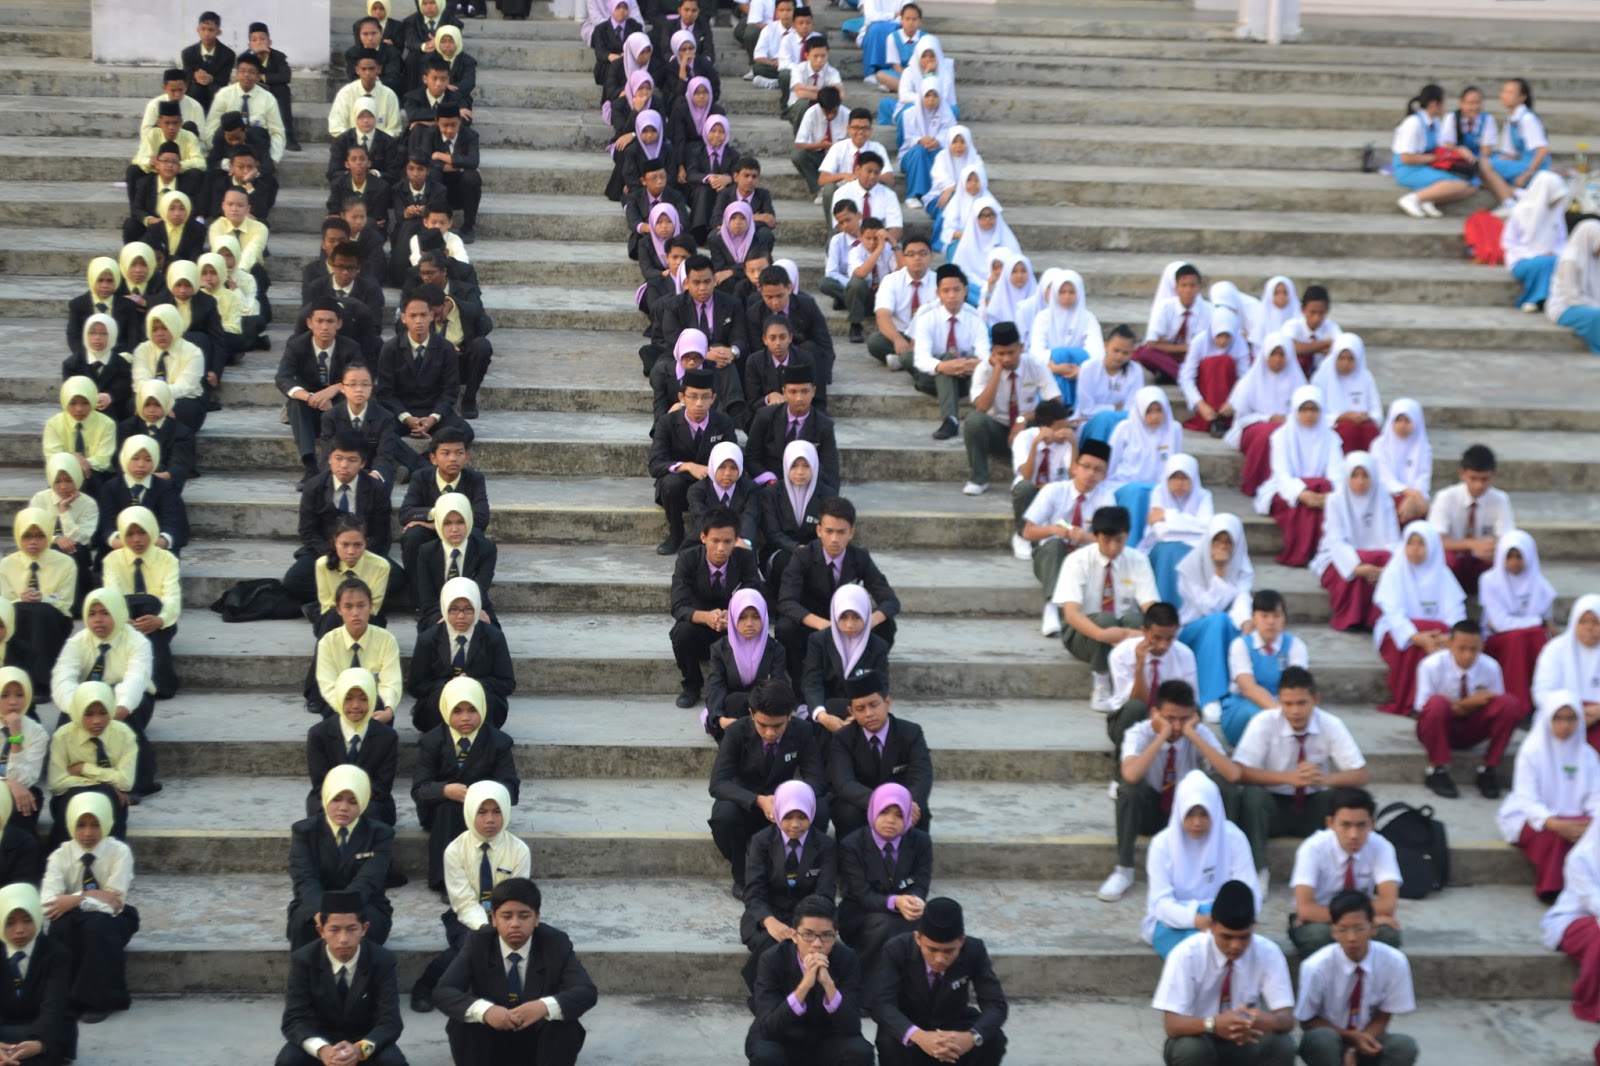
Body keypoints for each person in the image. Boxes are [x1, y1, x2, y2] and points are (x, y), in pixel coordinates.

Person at [433, 878, 597, 1066]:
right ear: (494, 918)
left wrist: (543, 1006)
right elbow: (443, 992)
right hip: (491, 1039)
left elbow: (586, 991)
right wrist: (486, 1011)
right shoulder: (478, 942)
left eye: (524, 915)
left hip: (539, 1041)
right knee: (464, 1021)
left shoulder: (555, 942)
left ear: (537, 918)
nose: (515, 924)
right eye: (507, 916)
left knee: (562, 1020)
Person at [1103, 679, 1239, 903]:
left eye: (1184, 718)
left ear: (1193, 716)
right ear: (1155, 713)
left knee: (1225, 787)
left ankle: (1222, 864)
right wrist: (1161, 736)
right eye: (1170, 718)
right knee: (1129, 790)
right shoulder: (1139, 733)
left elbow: (1232, 774)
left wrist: (1192, 734)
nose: (1177, 726)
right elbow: (1131, 774)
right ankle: (1124, 870)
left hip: (1189, 815)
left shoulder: (1199, 733)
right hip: (1151, 810)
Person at [1232, 668, 1370, 881]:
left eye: (1301, 703)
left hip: (1313, 803)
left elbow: (1360, 774)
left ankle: (1341, 870)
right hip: (1272, 805)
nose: (1295, 711)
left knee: (1344, 799)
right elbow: (1239, 772)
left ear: (1315, 699)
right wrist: (1287, 778)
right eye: (1287, 704)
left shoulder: (1330, 724)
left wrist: (1324, 779)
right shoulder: (1264, 722)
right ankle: (1257, 871)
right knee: (1251, 796)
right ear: (1279, 701)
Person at [409, 781, 531, 1015]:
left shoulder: (519, 850)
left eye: (497, 811)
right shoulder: (455, 850)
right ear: (469, 811)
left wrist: (502, 922)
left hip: (508, 915)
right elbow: (462, 901)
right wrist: (486, 927)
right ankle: (427, 983)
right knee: (469, 943)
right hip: (465, 916)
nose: (490, 820)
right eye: (481, 812)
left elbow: (517, 894)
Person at [1151, 878, 1294, 1066]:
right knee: (1189, 1049)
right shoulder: (1185, 954)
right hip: (1202, 1038)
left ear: (1254, 926)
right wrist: (1214, 1024)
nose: (1235, 946)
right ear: (1211, 925)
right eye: (1226, 937)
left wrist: (1266, 1020)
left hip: (1244, 1040)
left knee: (1281, 1044)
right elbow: (1172, 1024)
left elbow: (1287, 1019)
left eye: (1244, 937)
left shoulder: (1268, 952)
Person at [709, 678, 827, 895]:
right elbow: (718, 784)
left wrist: (792, 802)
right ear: (752, 713)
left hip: (786, 805)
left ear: (790, 716)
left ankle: (803, 871)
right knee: (723, 816)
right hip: (747, 804)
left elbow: (816, 779)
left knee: (819, 809)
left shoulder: (802, 731)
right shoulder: (736, 731)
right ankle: (744, 877)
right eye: (763, 725)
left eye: (778, 726)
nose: (770, 733)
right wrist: (758, 800)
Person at [50, 588, 158, 805]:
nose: (98, 620)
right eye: (92, 613)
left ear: (118, 613)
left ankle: (135, 783)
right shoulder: (77, 642)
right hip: (88, 702)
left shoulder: (137, 642)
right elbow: (63, 677)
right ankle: (79, 775)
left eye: (105, 613)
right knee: (66, 727)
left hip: (130, 702)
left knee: (128, 726)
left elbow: (136, 678)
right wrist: (78, 711)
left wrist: (118, 709)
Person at [40, 790, 139, 1025]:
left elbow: (115, 902)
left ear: (106, 823)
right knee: (61, 928)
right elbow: (48, 903)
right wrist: (93, 896)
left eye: (95, 824)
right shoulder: (60, 855)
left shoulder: (119, 852)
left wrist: (76, 899)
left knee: (97, 926)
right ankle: (68, 999)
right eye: (81, 824)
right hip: (72, 916)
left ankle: (99, 1000)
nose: (87, 833)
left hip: (114, 918)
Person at [775, 496, 900, 683]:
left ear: (851, 532)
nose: (834, 539)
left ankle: (863, 679)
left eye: (841, 532)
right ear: (819, 530)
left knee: (887, 626)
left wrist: (869, 621)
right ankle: (800, 691)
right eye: (829, 531)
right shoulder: (804, 556)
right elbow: (786, 601)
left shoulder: (859, 556)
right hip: (814, 624)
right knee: (786, 627)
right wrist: (822, 624)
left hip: (848, 623)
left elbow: (890, 600)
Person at [869, 897, 1007, 1066]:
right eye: (932, 949)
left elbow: (996, 1005)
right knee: (888, 1041)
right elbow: (881, 1004)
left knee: (994, 1038)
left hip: (953, 1023)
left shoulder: (974, 950)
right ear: (918, 939)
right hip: (912, 1024)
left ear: (961, 941)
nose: (940, 959)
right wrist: (919, 1036)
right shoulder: (896, 949)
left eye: (949, 951)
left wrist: (972, 1037)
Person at [277, 888, 407, 1066]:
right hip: (320, 1042)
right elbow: (293, 1020)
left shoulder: (382, 960)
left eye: (352, 929)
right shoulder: (304, 959)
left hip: (364, 1042)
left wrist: (360, 1049)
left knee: (393, 1062)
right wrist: (323, 1050)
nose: (343, 939)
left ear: (364, 929)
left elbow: (390, 1022)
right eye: (334, 930)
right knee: (288, 1061)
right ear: (321, 930)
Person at [413, 676, 519, 892]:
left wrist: (484, 795)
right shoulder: (432, 741)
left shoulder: (499, 742)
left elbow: (511, 788)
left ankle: (486, 879)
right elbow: (420, 788)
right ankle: (446, 881)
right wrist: (444, 790)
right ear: (446, 710)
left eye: (472, 710)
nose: (465, 718)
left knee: (481, 813)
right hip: (441, 809)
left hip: (485, 809)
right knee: (448, 810)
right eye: (457, 711)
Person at [1293, 890, 1419, 1066]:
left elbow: (1384, 1015)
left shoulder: (1393, 961)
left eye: (1359, 929)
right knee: (1322, 1040)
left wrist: (1361, 1042)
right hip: (1330, 1039)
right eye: (1342, 930)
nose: (1351, 938)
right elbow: (1307, 1021)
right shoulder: (1316, 966)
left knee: (1403, 1046)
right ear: (1333, 932)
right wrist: (1350, 1037)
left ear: (1373, 928)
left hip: (1369, 1036)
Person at [747, 893, 873, 1066]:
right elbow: (769, 1027)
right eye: (808, 934)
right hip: (782, 1036)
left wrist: (828, 985)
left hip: (826, 1038)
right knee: (766, 1056)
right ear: (793, 935)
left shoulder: (847, 959)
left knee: (860, 1051)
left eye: (826, 935)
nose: (817, 944)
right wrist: (804, 986)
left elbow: (852, 1027)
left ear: (836, 935)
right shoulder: (772, 959)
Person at [1497, 691, 1600, 902]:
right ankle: (1552, 888)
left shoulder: (1588, 754)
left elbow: (1595, 797)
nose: (1565, 725)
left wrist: (1593, 823)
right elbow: (1526, 798)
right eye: (1558, 718)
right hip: (1536, 817)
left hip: (1577, 819)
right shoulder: (1532, 751)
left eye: (1571, 718)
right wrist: (1552, 821)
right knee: (1555, 836)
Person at [1054, 506, 1159, 713]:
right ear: (1095, 536)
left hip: (1124, 631)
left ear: (1127, 535)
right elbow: (1071, 614)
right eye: (1106, 540)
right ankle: (1101, 680)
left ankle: (1137, 682)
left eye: (1119, 540)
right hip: (1084, 633)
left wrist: (1138, 632)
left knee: (1138, 620)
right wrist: (1103, 634)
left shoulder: (1138, 560)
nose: (1113, 547)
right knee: (1103, 619)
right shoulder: (1077, 561)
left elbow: (1150, 605)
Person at [1144, 770, 1257, 959]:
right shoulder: (1162, 844)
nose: (1197, 823)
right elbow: (1160, 903)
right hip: (1172, 923)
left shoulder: (1233, 838)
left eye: (1204, 814)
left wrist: (1223, 919)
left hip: (1224, 921)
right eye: (1190, 814)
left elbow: (1249, 892)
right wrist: (1197, 920)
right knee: (1192, 954)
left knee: (1227, 942)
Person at [739, 782, 836, 992]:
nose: (795, 824)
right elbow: (754, 892)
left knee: (811, 944)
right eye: (788, 817)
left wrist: (804, 928)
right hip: (766, 916)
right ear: (778, 812)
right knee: (772, 942)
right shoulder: (761, 842)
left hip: (809, 919)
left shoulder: (825, 845)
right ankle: (768, 995)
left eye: (802, 817)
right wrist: (770, 921)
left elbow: (825, 894)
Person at [288, 765, 394, 951]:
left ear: (363, 801)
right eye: (336, 799)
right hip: (316, 903)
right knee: (303, 925)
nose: (343, 808)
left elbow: (368, 881)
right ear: (326, 796)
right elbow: (305, 879)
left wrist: (343, 917)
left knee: (364, 926)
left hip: (363, 903)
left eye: (353, 802)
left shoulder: (379, 834)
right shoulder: (304, 831)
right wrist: (323, 913)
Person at [1414, 620, 1523, 799]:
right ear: (1449, 644)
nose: (1467, 655)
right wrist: (1466, 704)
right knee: (1437, 703)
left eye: (1474, 649)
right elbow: (1423, 710)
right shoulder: (1430, 665)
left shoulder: (1490, 667)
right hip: (1437, 728)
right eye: (1461, 648)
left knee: (1509, 704)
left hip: (1472, 727)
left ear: (1482, 646)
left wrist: (1459, 707)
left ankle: (1489, 768)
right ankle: (1437, 769)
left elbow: (1495, 705)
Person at [1288, 788, 1402, 956]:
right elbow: (1305, 909)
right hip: (1319, 921)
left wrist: (1357, 923)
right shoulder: (1312, 848)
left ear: (1372, 823)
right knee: (1316, 937)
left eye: (1361, 825)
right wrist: (1358, 921)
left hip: (1356, 918)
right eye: (1345, 825)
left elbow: (1388, 904)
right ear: (1330, 823)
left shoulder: (1382, 847)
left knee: (1388, 935)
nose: (1354, 835)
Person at [669, 506, 761, 708]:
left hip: (733, 627)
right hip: (701, 626)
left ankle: (742, 684)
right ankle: (692, 686)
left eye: (728, 542)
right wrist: (706, 617)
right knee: (680, 632)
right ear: (703, 537)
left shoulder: (745, 559)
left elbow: (755, 594)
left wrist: (735, 615)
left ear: (736, 539)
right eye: (715, 541)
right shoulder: (688, 559)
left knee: (756, 629)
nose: (721, 548)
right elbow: (678, 605)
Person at [285, 437, 393, 607]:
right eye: (338, 458)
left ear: (363, 463)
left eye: (352, 460)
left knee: (397, 579)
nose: (344, 465)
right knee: (294, 580)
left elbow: (380, 534)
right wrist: (335, 554)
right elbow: (308, 531)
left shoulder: (377, 490)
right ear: (329, 459)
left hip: (363, 551)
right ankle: (342, 603)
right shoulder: (314, 487)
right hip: (325, 551)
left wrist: (358, 553)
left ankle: (348, 602)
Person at [1022, 438, 1114, 637]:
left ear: (1105, 475)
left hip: (1083, 560)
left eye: (1098, 470)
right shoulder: (1053, 491)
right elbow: (1027, 531)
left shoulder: (1106, 498)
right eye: (1086, 466)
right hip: (1050, 557)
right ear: (1074, 467)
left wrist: (1087, 537)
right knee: (1055, 545)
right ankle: (1052, 607)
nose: (1090, 473)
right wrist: (1053, 530)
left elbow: (1111, 541)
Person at [1373, 523, 1466, 716]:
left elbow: (1456, 612)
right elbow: (1393, 614)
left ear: (1432, 546)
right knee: (1415, 639)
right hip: (1399, 632)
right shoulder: (1394, 572)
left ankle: (1435, 704)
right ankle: (1411, 701)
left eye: (1421, 544)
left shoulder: (1443, 574)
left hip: (1439, 637)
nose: (1415, 549)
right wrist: (1416, 636)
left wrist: (1449, 636)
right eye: (1411, 543)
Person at [960, 322, 1059, 497]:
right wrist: (997, 371)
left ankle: (1024, 476)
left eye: (1011, 353)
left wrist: (1024, 419)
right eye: (1000, 354)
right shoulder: (984, 369)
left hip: (1027, 427)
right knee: (974, 421)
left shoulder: (1035, 364)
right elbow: (981, 407)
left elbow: (1056, 402)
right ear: (993, 352)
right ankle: (979, 478)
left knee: (1044, 425)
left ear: (1021, 348)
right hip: (997, 428)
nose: (1006, 359)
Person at [648, 367, 739, 555]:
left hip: (711, 481)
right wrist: (688, 466)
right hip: (680, 483)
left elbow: (734, 458)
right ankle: (676, 534)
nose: (699, 403)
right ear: (682, 397)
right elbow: (655, 464)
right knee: (670, 484)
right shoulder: (667, 422)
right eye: (693, 396)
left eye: (705, 397)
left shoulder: (723, 422)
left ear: (713, 399)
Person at [827, 671, 929, 834]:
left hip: (900, 801)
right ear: (851, 711)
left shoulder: (911, 732)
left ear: (887, 702)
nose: (869, 713)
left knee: (918, 813)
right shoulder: (843, 738)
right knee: (848, 813)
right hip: (861, 801)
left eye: (874, 705)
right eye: (860, 708)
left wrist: (905, 803)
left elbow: (921, 775)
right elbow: (844, 783)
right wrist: (882, 802)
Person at [409, 575, 514, 733]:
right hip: (440, 703)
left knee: (485, 697)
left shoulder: (494, 637)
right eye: (454, 609)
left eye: (468, 609)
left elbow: (507, 683)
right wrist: (452, 686)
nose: (461, 616)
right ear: (444, 608)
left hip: (481, 701)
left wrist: (471, 686)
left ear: (477, 608)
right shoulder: (428, 639)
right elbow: (415, 685)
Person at [99, 505, 182, 699]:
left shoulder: (168, 559)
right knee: (131, 601)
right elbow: (112, 594)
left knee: (151, 602)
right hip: (124, 621)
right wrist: (121, 619)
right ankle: (157, 680)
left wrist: (160, 620)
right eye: (130, 534)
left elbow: (172, 596)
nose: (136, 540)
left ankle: (158, 680)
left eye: (142, 532)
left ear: (152, 530)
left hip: (158, 621)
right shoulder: (112, 559)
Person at [1255, 385, 1341, 568]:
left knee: (1321, 486)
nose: (1309, 414)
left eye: (1314, 409)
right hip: (1285, 490)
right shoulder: (1281, 436)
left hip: (1321, 492)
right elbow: (1281, 474)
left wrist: (1326, 496)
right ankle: (1304, 552)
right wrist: (1302, 494)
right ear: (1295, 411)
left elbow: (1337, 473)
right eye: (1304, 409)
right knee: (1304, 504)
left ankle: (1312, 552)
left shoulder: (1331, 437)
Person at [1312, 452, 1398, 634]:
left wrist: (1386, 570)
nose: (1360, 481)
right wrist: (1357, 567)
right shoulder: (1336, 500)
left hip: (1378, 562)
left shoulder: (1383, 498)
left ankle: (1375, 620)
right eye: (1355, 475)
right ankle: (1351, 617)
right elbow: (1335, 541)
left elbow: (1393, 541)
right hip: (1338, 558)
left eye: (1365, 475)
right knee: (1360, 562)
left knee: (1380, 557)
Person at [306, 668, 399, 837]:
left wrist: (354, 802)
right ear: (339, 698)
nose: (356, 706)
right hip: (329, 798)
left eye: (363, 699)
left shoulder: (387, 736)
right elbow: (320, 782)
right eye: (348, 699)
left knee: (368, 816)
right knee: (326, 817)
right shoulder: (319, 734)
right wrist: (342, 804)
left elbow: (382, 785)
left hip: (371, 800)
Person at [1174, 514, 1253, 711]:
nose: (1223, 547)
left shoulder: (1243, 569)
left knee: (1242, 628)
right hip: (1192, 631)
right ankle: (1210, 696)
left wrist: (1246, 623)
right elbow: (1208, 608)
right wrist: (1219, 571)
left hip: (1225, 627)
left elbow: (1242, 599)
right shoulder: (1190, 569)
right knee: (1217, 620)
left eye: (1228, 542)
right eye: (1217, 540)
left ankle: (1235, 690)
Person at [44, 683, 134, 846]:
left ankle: (113, 858)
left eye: (103, 713)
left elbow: (125, 782)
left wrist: (84, 769)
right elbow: (56, 784)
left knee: (109, 796)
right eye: (88, 714)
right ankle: (59, 859)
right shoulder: (63, 736)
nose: (96, 721)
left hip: (110, 797)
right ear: (78, 711)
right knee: (78, 796)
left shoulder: (124, 735)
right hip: (69, 798)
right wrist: (103, 783)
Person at [398, 433, 491, 591]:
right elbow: (406, 513)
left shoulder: (475, 479)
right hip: (429, 537)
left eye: (459, 453)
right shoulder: (421, 477)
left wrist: (439, 524)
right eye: (446, 453)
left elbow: (481, 519)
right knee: (413, 535)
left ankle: (465, 594)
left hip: (458, 532)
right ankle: (420, 600)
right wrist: (438, 515)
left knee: (476, 535)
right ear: (433, 458)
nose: (453, 458)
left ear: (467, 457)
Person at [1218, 590, 1309, 748]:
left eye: (1276, 616)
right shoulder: (1240, 645)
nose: (1271, 622)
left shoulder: (1296, 645)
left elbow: (1299, 685)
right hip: (1243, 708)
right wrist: (1281, 714)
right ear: (1254, 618)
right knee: (1258, 717)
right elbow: (1249, 688)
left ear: (1284, 618)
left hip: (1286, 707)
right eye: (1264, 616)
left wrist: (1288, 712)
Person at [1479, 529, 1556, 711]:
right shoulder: (1489, 580)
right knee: (1520, 637)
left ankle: (1537, 701)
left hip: (1527, 640)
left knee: (1535, 636)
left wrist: (1538, 623)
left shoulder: (1540, 585)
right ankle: (1517, 704)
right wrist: (1537, 621)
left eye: (1519, 556)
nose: (1514, 562)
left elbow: (1549, 625)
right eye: (1509, 556)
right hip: (1496, 641)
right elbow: (1499, 624)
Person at [911, 264, 989, 441]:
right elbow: (921, 358)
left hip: (963, 377)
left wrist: (969, 364)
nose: (952, 295)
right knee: (945, 359)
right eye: (946, 291)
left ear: (965, 290)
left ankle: (983, 418)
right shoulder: (927, 318)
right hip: (930, 379)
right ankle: (951, 419)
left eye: (957, 290)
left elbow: (985, 356)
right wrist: (945, 365)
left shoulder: (975, 319)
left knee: (975, 363)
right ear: (938, 293)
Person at [1105, 603, 1199, 749]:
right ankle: (1127, 767)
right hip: (1129, 719)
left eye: (1170, 638)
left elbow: (1189, 701)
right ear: (1144, 631)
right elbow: (1135, 701)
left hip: (1171, 718)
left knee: (1195, 712)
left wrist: (1166, 720)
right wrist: (1139, 667)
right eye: (1157, 638)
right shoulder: (1121, 654)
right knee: (1134, 708)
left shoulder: (1185, 655)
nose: (1163, 645)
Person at [1224, 331, 1305, 497]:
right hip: (1251, 428)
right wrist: (1268, 418)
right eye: (1273, 354)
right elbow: (1242, 418)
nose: (1277, 359)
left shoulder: (1297, 381)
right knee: (1268, 433)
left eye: (1282, 355)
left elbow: (1305, 411)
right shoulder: (1250, 381)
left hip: (1288, 427)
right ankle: (1255, 483)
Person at [1428, 443, 1513, 597]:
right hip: (1454, 559)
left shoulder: (1500, 500)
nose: (1478, 485)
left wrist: (1489, 547)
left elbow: (1506, 538)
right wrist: (1471, 545)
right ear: (1462, 474)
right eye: (1473, 478)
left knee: (1505, 562)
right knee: (1446, 561)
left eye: (1484, 479)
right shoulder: (1445, 497)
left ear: (1493, 474)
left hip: (1482, 561)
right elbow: (1435, 540)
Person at [801, 585, 890, 729]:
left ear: (866, 615)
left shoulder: (878, 646)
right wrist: (822, 715)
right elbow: (812, 682)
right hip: (826, 709)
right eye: (843, 617)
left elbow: (881, 686)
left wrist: (860, 715)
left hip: (864, 710)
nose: (849, 625)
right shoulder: (819, 641)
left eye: (857, 617)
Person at [0, 882, 70, 1064]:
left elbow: (54, 1006)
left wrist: (38, 1043)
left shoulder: (56, 954)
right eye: (10, 922)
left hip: (44, 1031)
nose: (19, 930)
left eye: (27, 919)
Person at [707, 589, 789, 740]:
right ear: (732, 618)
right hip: (731, 710)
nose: (749, 624)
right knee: (735, 700)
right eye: (742, 617)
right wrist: (719, 718)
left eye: (756, 617)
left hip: (765, 710)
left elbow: (779, 684)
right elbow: (716, 686)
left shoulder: (775, 649)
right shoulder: (720, 649)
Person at [1390, 84, 1475, 219]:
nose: (1445, 106)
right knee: (1460, 185)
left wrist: (1459, 150)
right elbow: (1406, 158)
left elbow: (1442, 144)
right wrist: (1435, 158)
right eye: (1444, 102)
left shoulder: (1434, 122)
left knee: (1470, 188)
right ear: (1435, 104)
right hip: (1408, 169)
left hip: (1424, 165)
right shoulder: (1413, 123)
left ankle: (1428, 199)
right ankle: (1412, 199)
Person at [1009, 397, 1075, 559]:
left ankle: (1051, 536)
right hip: (1031, 489)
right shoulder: (1024, 438)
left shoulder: (1066, 442)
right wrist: (1035, 444)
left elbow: (1074, 475)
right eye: (1060, 427)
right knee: (1024, 487)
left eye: (1066, 426)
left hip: (1052, 491)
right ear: (1045, 427)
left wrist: (1073, 444)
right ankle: (1021, 535)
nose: (1064, 431)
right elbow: (1026, 475)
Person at [1533, 595, 1600, 752]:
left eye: (1595, 622)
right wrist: (1574, 714)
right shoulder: (1555, 649)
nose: (1589, 627)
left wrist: (1594, 713)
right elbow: (1542, 692)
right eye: (1583, 621)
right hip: (1561, 715)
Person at [1502, 170, 1569, 312]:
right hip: (1522, 259)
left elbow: (1562, 241)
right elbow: (1509, 243)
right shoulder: (1520, 211)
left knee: (1559, 262)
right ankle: (1534, 299)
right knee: (1546, 263)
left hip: (1551, 257)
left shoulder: (1557, 211)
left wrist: (1556, 252)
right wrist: (1536, 255)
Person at [1133, 262, 1209, 384]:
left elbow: (1205, 346)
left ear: (1199, 288)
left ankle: (1172, 374)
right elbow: (1151, 344)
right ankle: (1186, 377)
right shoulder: (1164, 307)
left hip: (1193, 358)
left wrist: (1165, 345)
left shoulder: (1208, 310)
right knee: (1145, 354)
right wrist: (1186, 347)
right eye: (1183, 285)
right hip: (1170, 356)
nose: (1188, 290)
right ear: (1176, 288)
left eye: (1192, 285)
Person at [0, 665, 49, 843]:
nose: (13, 702)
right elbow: (14, 783)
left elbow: (27, 778)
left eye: (19, 695)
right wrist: (7, 783)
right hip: (9, 786)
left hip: (21, 790)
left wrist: (15, 738)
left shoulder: (37, 732)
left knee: (28, 797)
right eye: (4, 695)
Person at [1310, 334, 1381, 455]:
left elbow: (1377, 412)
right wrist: (1341, 417)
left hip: (1361, 425)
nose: (1346, 363)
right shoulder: (1322, 377)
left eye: (1351, 359)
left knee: (1370, 429)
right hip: (1333, 426)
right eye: (1341, 358)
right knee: (1348, 429)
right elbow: (1314, 412)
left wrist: (1367, 417)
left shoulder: (1365, 377)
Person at [1547, 219, 1600, 355]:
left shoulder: (1593, 257)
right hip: (1565, 308)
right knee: (1597, 316)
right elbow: (1573, 297)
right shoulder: (1569, 260)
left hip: (1589, 304)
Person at [181, 10, 236, 112]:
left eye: (211, 30)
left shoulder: (228, 54)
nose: (206, 34)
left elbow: (224, 79)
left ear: (218, 32)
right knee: (195, 90)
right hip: (195, 93)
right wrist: (195, 75)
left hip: (216, 91)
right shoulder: (188, 53)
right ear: (198, 30)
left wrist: (211, 79)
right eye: (203, 29)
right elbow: (186, 74)